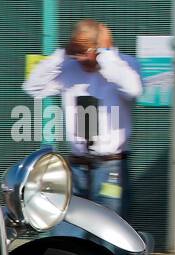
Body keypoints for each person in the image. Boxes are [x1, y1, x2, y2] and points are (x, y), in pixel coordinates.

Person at [22, 19, 142, 216]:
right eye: (77, 52)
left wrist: (105, 56)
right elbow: (32, 86)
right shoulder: (69, 69)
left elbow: (134, 89)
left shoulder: (123, 65)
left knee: (110, 231)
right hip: (77, 166)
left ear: (99, 48)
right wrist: (62, 54)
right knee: (69, 229)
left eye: (86, 52)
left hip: (110, 167)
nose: (81, 59)